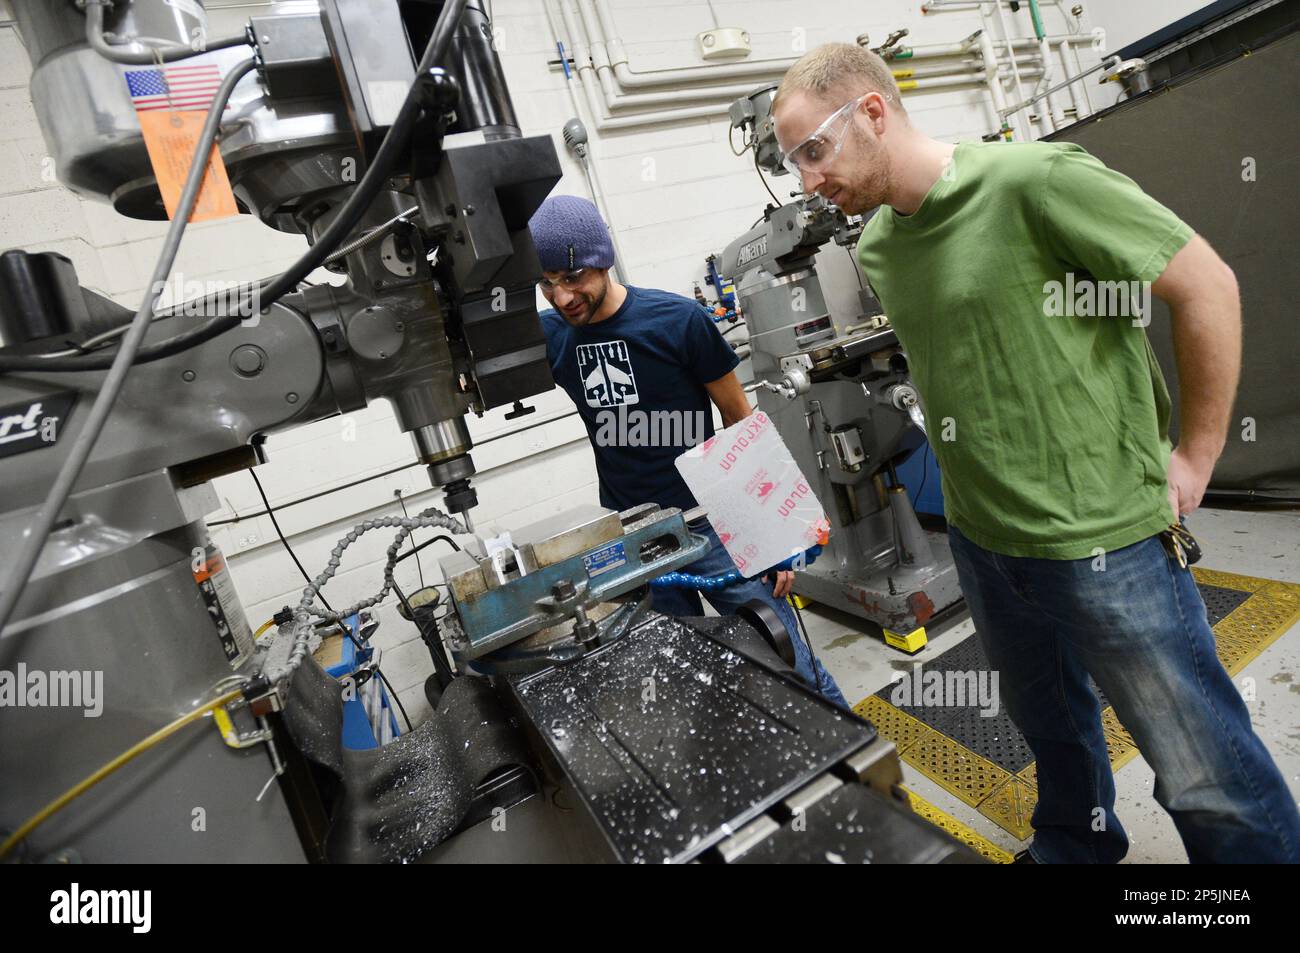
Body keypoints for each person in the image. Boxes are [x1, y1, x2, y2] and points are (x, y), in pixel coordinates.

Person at [771, 42, 1299, 862]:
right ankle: (1075, 845)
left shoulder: (1036, 181)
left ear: (873, 111)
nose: (808, 179)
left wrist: (1195, 458)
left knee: (1203, 767)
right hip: (985, 543)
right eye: (792, 161)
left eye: (814, 150)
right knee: (1050, 728)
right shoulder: (877, 248)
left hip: (1105, 540)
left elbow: (1207, 284)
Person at [527, 195, 847, 707]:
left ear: (603, 261)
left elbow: (739, 421)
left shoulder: (676, 320)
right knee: (684, 674)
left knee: (788, 661)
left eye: (573, 277)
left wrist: (771, 535)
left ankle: (861, 764)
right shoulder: (550, 335)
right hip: (634, 537)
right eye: (547, 283)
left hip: (711, 525)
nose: (562, 297)